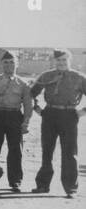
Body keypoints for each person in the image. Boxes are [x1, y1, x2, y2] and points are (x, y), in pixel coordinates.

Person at [28, 49, 86, 196]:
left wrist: (82, 112)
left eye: (64, 60)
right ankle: (42, 185)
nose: (61, 63)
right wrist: (37, 109)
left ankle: (70, 188)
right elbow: (31, 93)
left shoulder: (79, 77)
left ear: (69, 61)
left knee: (70, 152)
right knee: (47, 151)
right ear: (54, 61)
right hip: (50, 115)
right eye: (58, 60)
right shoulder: (46, 75)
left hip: (69, 115)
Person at [0, 50, 34, 192]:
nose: (9, 65)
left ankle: (15, 181)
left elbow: (28, 104)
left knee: (15, 149)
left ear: (17, 64)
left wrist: (26, 122)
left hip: (14, 116)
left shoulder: (23, 84)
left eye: (12, 62)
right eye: (6, 62)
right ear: (1, 64)